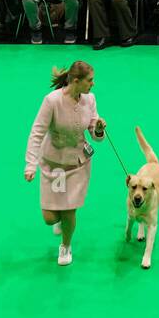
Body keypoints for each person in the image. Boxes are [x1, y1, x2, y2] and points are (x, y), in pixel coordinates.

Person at [24, 60, 106, 266]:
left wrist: (98, 128)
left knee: (69, 210)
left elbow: (95, 133)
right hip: (55, 165)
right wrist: (30, 164)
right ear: (76, 81)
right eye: (90, 80)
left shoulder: (90, 99)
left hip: (78, 164)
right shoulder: (52, 101)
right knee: (50, 218)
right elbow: (37, 132)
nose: (93, 84)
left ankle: (66, 247)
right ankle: (60, 221)